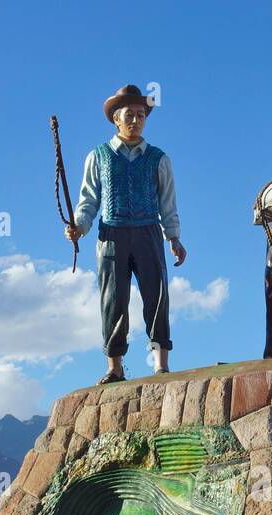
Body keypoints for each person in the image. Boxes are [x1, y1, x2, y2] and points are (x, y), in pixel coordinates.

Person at [65, 84, 187, 384]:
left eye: (141, 115)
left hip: (148, 233)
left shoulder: (159, 158)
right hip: (111, 235)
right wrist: (79, 226)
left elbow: (167, 202)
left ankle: (160, 364)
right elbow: (89, 199)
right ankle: (115, 367)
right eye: (129, 115)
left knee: (157, 296)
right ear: (116, 119)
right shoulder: (98, 156)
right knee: (113, 300)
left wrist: (173, 237)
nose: (135, 120)